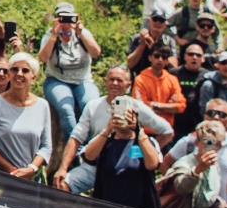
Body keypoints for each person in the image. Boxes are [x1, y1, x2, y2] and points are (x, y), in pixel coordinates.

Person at [52, 65, 172, 195]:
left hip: (127, 166)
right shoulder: (93, 106)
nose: (115, 83)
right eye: (112, 79)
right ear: (106, 82)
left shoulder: (136, 107)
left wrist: (144, 153)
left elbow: (167, 131)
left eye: (120, 80)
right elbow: (76, 137)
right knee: (62, 184)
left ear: (128, 85)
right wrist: (62, 168)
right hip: (95, 166)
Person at [0, 52, 51, 182]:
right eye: (14, 69)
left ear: (33, 78)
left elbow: (46, 147)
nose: (19, 73)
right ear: (9, 75)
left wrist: (31, 169)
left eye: (25, 70)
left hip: (31, 180)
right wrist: (13, 171)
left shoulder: (42, 106)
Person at [36, 1, 101, 140]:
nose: (65, 22)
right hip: (57, 80)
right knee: (66, 109)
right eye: (61, 18)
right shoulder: (50, 35)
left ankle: (90, 148)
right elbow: (43, 58)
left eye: (68, 18)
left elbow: (96, 53)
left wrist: (80, 33)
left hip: (83, 80)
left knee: (90, 107)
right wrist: (54, 35)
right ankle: (75, 149)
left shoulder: (83, 33)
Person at [86, 96, 163, 208]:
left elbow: (152, 164)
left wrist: (138, 131)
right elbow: (89, 156)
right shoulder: (106, 142)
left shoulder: (146, 141)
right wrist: (107, 130)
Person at [162, 99, 227, 206]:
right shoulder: (189, 142)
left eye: (222, 115)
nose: (216, 117)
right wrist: (178, 188)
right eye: (211, 113)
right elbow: (165, 165)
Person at [161, 119, 227, 208]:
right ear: (197, 142)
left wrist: (220, 206)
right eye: (207, 142)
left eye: (214, 144)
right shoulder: (184, 163)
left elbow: (207, 194)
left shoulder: (214, 167)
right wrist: (197, 171)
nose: (210, 148)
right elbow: (181, 188)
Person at [132, 45, 185, 122]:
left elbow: (181, 106)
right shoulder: (140, 79)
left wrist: (154, 104)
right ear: (150, 58)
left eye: (163, 57)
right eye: (157, 56)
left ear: (166, 61)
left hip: (167, 129)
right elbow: (139, 108)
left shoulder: (172, 79)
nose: (160, 59)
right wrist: (168, 106)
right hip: (146, 128)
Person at [172, 43, 211, 139]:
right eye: (191, 54)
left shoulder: (208, 76)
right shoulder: (173, 73)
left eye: (198, 55)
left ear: (203, 59)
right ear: (185, 56)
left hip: (198, 123)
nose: (194, 57)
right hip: (176, 122)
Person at [126, 10, 177, 75]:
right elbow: (130, 64)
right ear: (149, 22)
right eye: (155, 19)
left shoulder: (168, 41)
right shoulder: (137, 38)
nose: (158, 22)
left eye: (161, 20)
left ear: (165, 25)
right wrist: (142, 45)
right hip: (140, 77)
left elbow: (174, 65)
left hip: (161, 80)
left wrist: (155, 48)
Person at [197, 50, 227, 116]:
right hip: (214, 125)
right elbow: (204, 112)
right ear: (218, 64)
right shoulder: (209, 85)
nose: (226, 66)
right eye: (223, 63)